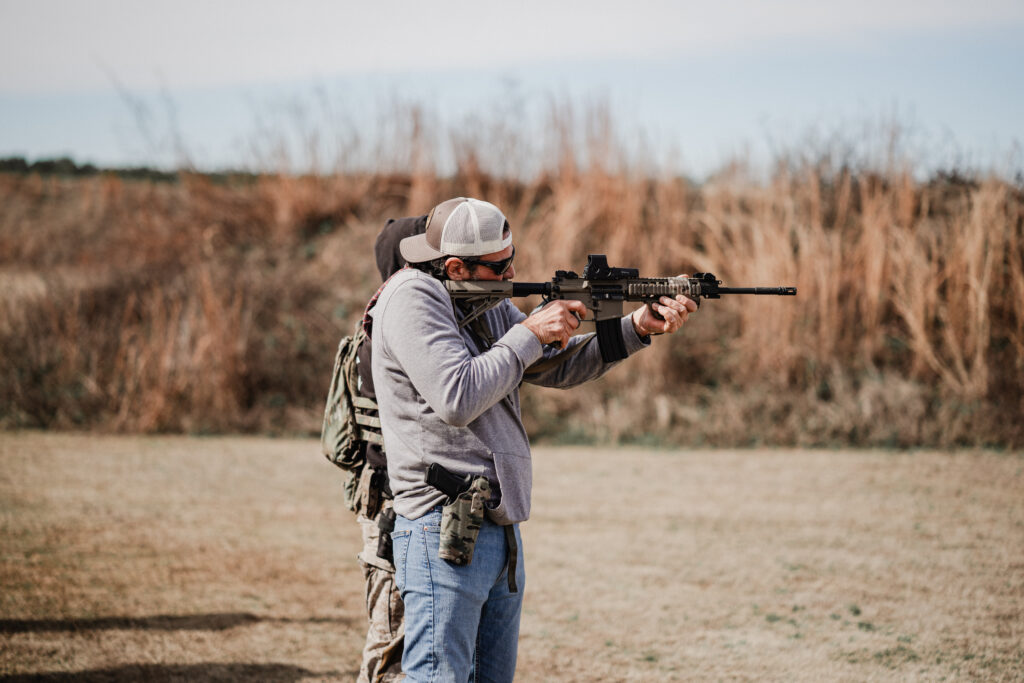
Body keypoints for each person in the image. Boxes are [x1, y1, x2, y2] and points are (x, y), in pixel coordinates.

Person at [368, 197, 695, 682]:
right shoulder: (411, 298)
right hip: (442, 527)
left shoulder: (479, 298)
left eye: (512, 256)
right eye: (501, 266)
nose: (513, 271)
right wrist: (529, 332)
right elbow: (457, 395)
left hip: (495, 525)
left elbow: (547, 367)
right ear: (456, 265)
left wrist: (636, 327)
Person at [352, 214, 427, 683]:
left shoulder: (377, 318)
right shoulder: (393, 327)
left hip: (389, 500)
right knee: (390, 644)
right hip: (391, 506)